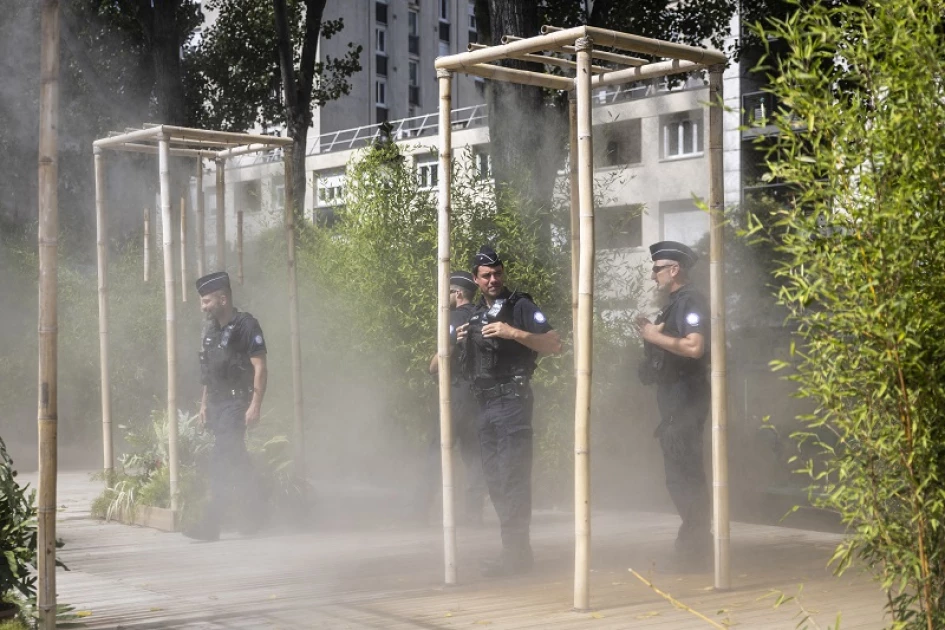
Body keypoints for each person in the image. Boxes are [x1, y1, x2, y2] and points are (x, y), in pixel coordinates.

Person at [457, 245, 562, 576]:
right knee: (495, 479)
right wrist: (461, 341)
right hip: (484, 405)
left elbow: (554, 344)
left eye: (498, 273)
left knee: (513, 477)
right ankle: (514, 551)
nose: (493, 279)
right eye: (486, 275)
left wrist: (512, 332)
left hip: (512, 402)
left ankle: (517, 555)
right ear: (475, 279)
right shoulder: (473, 316)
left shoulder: (521, 306)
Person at [634, 241, 711, 566]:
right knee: (679, 473)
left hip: (685, 398)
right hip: (674, 400)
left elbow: (694, 347)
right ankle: (692, 542)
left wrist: (653, 336)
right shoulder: (676, 303)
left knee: (685, 474)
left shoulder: (690, 300)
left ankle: (695, 547)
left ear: (674, 269)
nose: (653, 275)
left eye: (657, 269)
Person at [184, 271, 268, 541]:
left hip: (236, 403)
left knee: (220, 460)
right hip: (218, 403)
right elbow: (210, 372)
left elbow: (260, 367)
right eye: (202, 301)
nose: (203, 306)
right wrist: (204, 404)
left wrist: (255, 404)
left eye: (206, 301)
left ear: (223, 298)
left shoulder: (246, 325)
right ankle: (257, 511)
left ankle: (211, 524)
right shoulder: (210, 331)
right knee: (237, 459)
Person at [417, 271, 488, 525]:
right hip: (479, 397)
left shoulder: (453, 319)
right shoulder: (482, 317)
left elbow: (435, 365)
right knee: (474, 458)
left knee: (436, 452)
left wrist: (441, 352)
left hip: (455, 396)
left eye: (447, 292)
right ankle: (474, 514)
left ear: (458, 293)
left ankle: (421, 511)